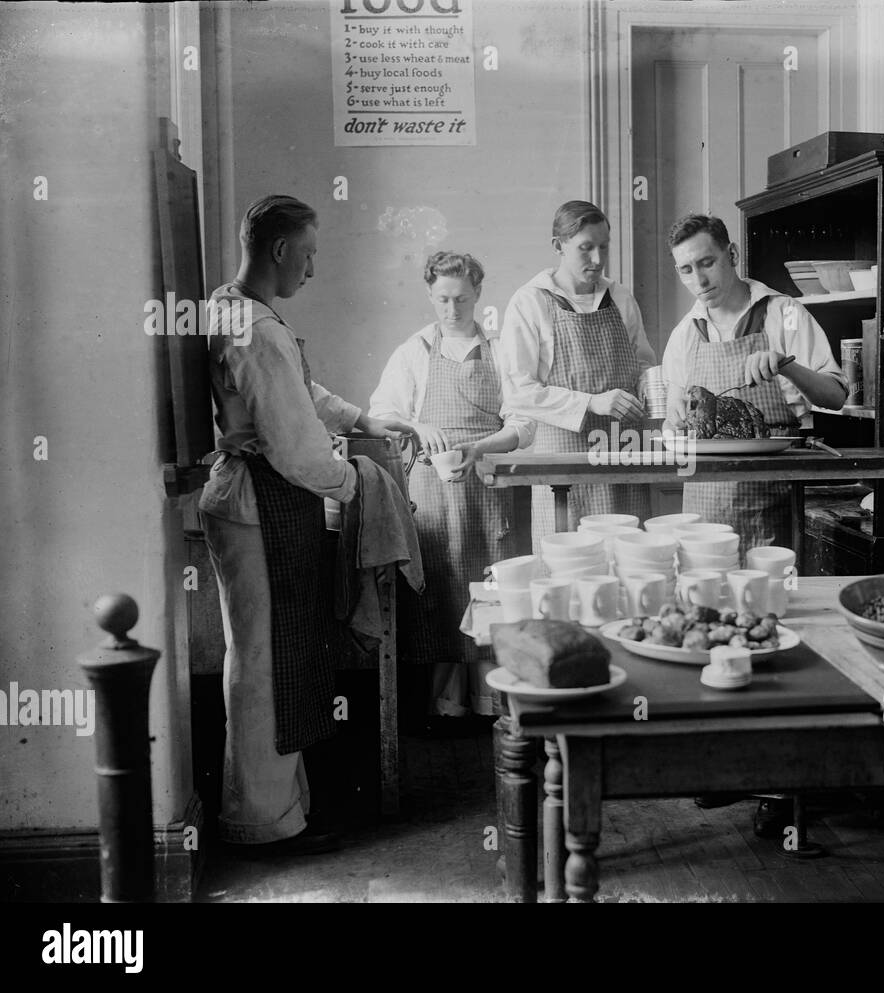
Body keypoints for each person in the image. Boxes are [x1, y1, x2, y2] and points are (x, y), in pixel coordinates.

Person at [199, 194, 419, 856]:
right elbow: (296, 449)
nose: (314, 269)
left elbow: (299, 392)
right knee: (264, 663)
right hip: (255, 504)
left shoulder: (228, 304)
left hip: (253, 502)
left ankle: (280, 812)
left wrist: (361, 420)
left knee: (272, 657)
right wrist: (357, 482)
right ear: (279, 251)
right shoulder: (258, 329)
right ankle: (261, 823)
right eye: (310, 254)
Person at [368, 250, 532, 718]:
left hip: (487, 484)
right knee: (439, 586)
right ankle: (444, 707)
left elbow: (523, 425)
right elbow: (379, 413)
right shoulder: (416, 350)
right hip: (432, 488)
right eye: (442, 299)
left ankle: (489, 702)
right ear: (430, 295)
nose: (452, 309)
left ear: (478, 294)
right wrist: (418, 426)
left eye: (461, 298)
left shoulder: (501, 350)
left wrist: (481, 448)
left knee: (490, 588)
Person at [662, 213, 846, 551]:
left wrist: (785, 366)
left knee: (771, 597)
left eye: (707, 263)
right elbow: (674, 420)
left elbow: (835, 396)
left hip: (770, 496)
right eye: (686, 270)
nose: (699, 281)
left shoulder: (783, 313)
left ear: (731, 255)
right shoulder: (685, 334)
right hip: (703, 507)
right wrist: (673, 427)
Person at [500, 200, 656, 548]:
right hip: (564, 460)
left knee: (629, 558)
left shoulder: (620, 297)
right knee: (570, 559)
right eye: (586, 248)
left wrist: (653, 391)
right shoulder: (531, 302)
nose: (598, 260)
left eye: (604, 247)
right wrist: (592, 402)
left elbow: (643, 366)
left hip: (623, 451)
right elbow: (519, 392)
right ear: (558, 246)